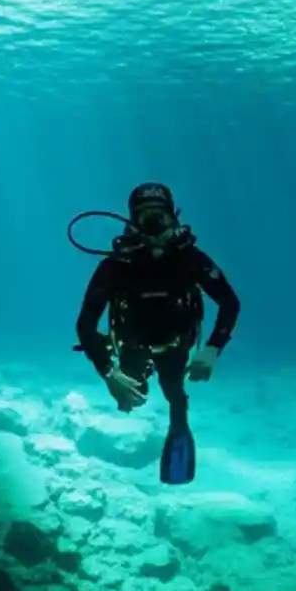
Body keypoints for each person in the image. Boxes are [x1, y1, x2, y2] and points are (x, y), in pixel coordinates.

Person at [74, 182, 241, 485]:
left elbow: (230, 303)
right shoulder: (116, 266)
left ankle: (177, 427)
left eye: (159, 217)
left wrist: (212, 349)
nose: (152, 226)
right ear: (132, 223)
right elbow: (85, 324)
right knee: (131, 396)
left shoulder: (191, 259)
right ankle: (130, 386)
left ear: (173, 218)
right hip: (131, 345)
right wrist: (108, 372)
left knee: (175, 396)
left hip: (176, 346)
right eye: (144, 218)